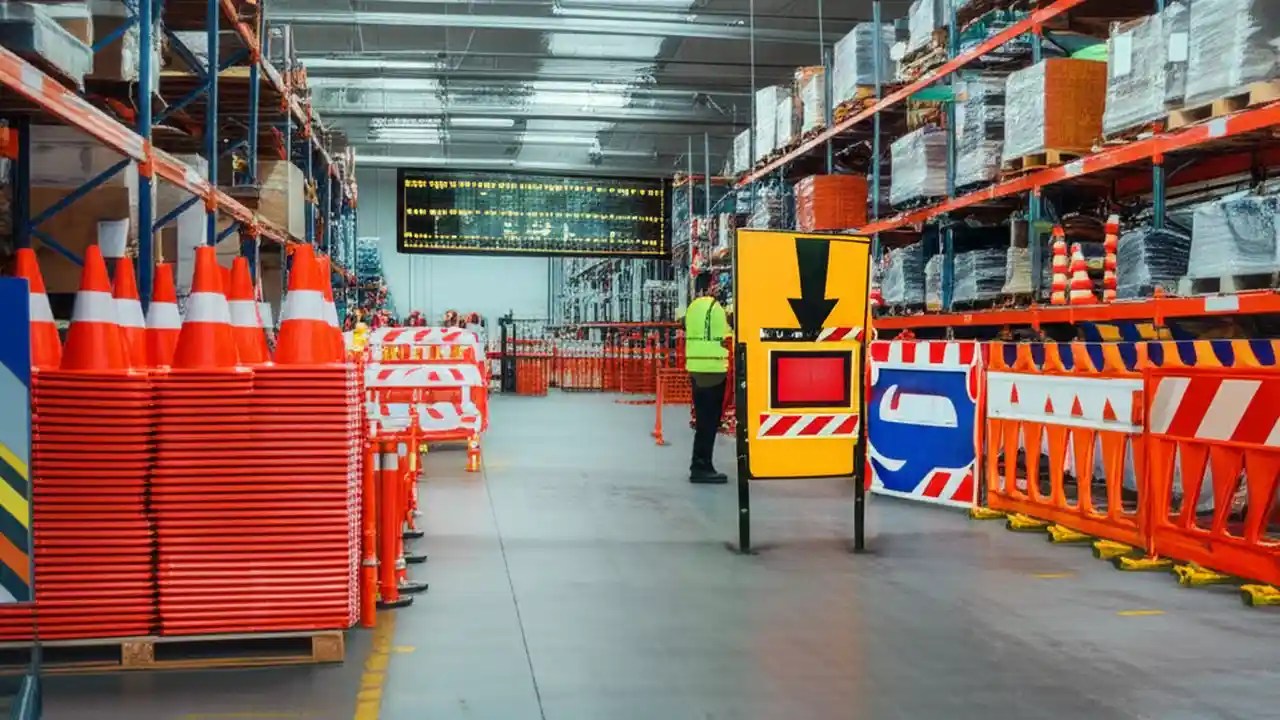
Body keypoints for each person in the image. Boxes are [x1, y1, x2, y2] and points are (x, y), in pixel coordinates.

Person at [682, 272, 732, 484]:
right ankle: (701, 466)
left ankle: (701, 463)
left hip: (695, 367)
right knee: (709, 422)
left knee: (703, 421)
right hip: (712, 369)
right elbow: (726, 335)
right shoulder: (716, 309)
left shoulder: (693, 308)